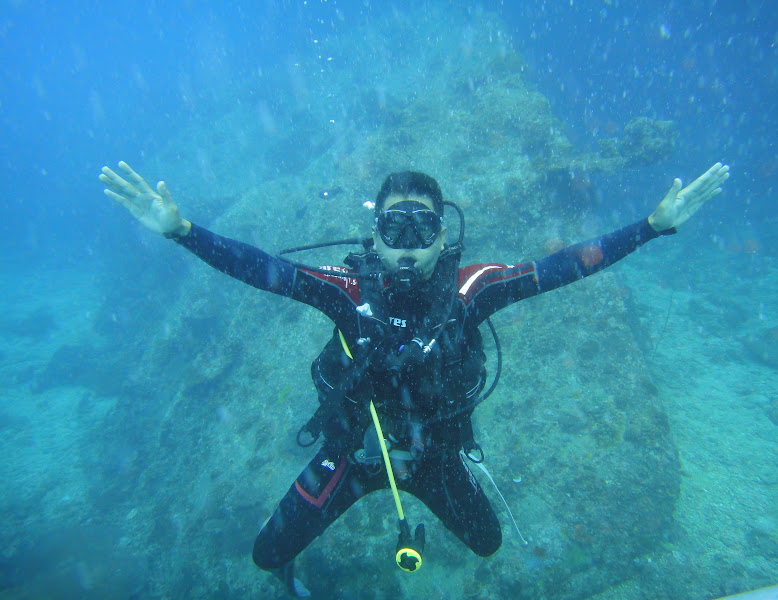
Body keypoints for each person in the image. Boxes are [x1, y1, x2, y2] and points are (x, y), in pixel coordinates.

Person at [99, 161, 729, 597]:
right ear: (374, 235)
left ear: (441, 236)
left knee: (485, 543)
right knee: (266, 554)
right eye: (393, 229)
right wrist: (183, 232)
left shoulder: (470, 289)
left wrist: (650, 228)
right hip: (352, 456)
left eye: (421, 229)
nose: (405, 245)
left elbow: (560, 267)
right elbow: (264, 269)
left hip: (433, 459)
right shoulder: (347, 290)